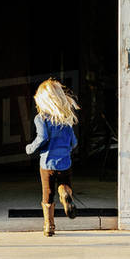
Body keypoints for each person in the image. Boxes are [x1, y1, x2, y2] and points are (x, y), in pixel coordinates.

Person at [24, 78, 78, 237]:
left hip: (47, 163)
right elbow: (74, 142)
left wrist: (30, 148)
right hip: (65, 162)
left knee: (47, 193)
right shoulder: (65, 119)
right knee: (64, 184)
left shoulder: (40, 118)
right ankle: (65, 194)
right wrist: (66, 149)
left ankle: (49, 226)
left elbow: (42, 138)